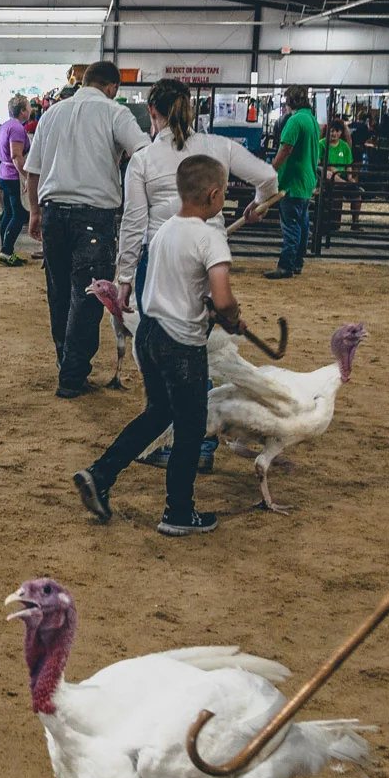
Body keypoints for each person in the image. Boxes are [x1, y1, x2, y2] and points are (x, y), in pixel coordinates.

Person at [72, 153, 244, 538]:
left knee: (157, 413)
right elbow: (223, 296)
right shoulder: (211, 237)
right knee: (189, 428)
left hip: (150, 335)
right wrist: (230, 315)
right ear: (214, 195)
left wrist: (214, 313)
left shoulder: (165, 229)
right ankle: (178, 511)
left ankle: (100, 474)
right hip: (182, 346)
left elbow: (179, 288)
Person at [116, 79, 274, 470]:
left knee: (159, 357)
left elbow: (134, 223)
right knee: (193, 354)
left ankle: (186, 444)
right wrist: (259, 206)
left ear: (153, 114)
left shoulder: (143, 159)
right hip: (206, 260)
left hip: (159, 259)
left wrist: (122, 276)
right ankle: (192, 442)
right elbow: (268, 178)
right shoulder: (217, 146)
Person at [22, 59, 149, 397]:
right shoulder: (114, 112)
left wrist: (34, 212)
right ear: (113, 87)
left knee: (60, 291)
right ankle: (73, 375)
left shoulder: (52, 114)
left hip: (53, 213)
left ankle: (66, 364)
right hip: (94, 215)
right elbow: (144, 152)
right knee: (89, 294)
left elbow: (32, 170)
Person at [266, 85, 319, 279]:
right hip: (307, 179)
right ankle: (297, 262)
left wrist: (271, 170)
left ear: (289, 101)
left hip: (292, 180)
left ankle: (286, 265)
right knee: (303, 223)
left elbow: (285, 149)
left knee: (291, 225)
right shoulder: (312, 120)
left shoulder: (295, 121)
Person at [0, 95, 31, 265]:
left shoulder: (5, 125)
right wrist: (27, 178)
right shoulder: (17, 128)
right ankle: (6, 251)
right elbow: (16, 155)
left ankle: (6, 249)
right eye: (29, 107)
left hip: (4, 173)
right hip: (12, 175)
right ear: (23, 111)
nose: (31, 110)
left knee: (9, 213)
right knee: (19, 214)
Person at [320, 114, 362, 230]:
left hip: (342, 178)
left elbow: (348, 165)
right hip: (329, 179)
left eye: (337, 131)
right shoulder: (322, 144)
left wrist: (350, 178)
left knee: (357, 195)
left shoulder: (345, 147)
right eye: (332, 131)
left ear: (341, 133)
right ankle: (333, 223)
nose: (334, 134)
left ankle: (355, 222)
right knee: (333, 184)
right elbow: (323, 163)